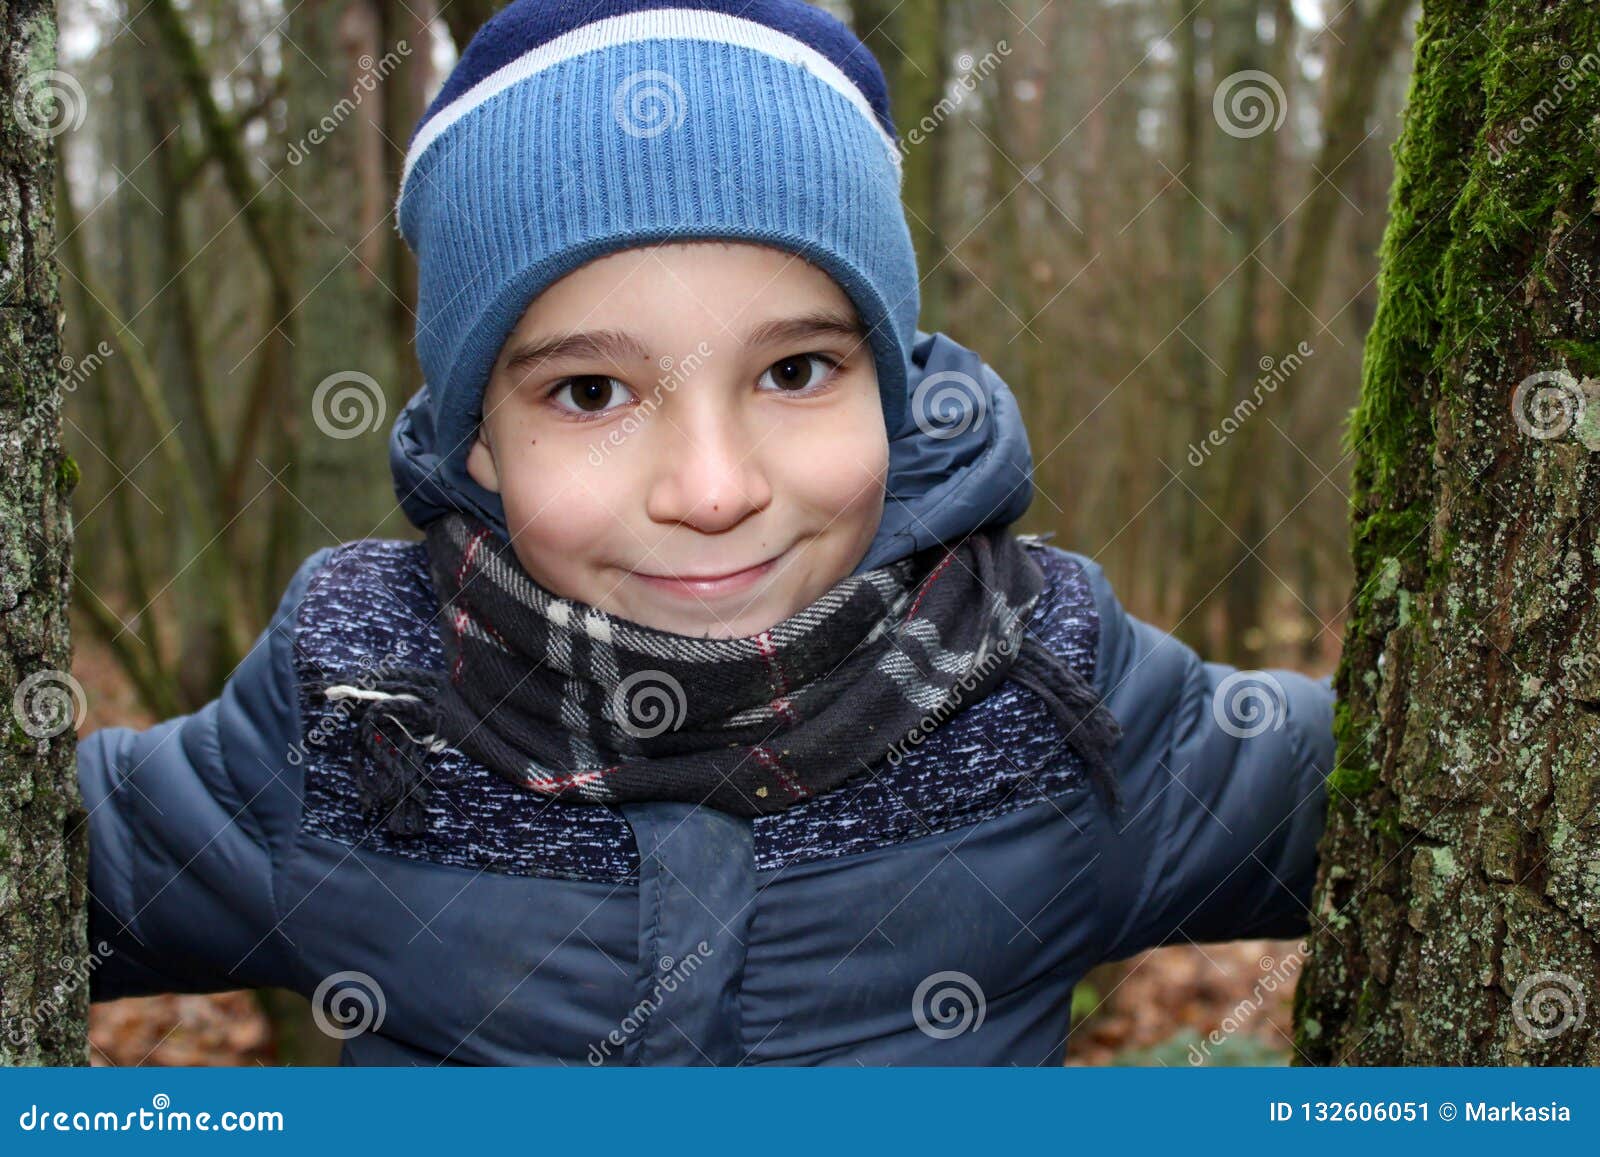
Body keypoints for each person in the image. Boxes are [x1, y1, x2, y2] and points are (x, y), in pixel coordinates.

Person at [77, 0, 1335, 1065]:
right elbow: (78, 866)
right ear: (476, 441)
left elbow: (1419, 778)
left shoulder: (1039, 680)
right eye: (590, 393)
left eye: (793, 370)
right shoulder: (349, 704)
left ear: (888, 388)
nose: (714, 486)